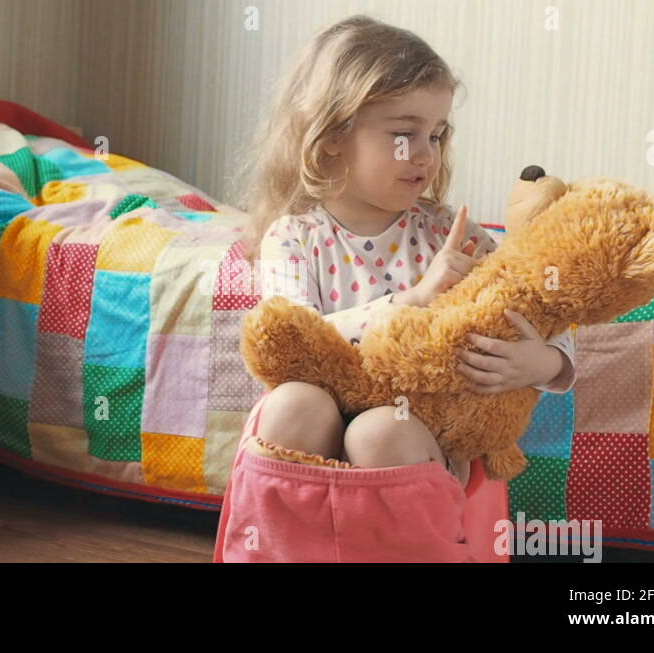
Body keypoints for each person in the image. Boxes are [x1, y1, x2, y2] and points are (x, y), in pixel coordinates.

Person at [235, 15, 576, 490]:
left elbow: (542, 312)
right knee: (292, 402)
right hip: (318, 439)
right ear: (332, 136)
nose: (426, 154)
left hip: (418, 438)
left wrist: (544, 363)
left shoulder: (451, 235)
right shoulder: (292, 239)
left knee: (378, 431)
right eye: (404, 134)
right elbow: (295, 343)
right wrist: (412, 300)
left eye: (436, 134)